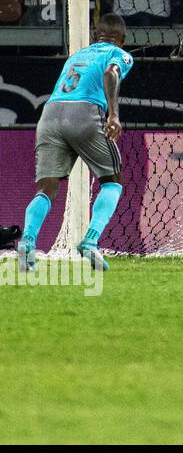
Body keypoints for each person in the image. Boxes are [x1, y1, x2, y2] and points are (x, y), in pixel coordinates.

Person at [18, 14, 133, 271]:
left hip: (50, 115)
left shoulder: (75, 56)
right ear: (122, 40)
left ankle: (27, 241)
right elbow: (111, 72)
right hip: (83, 114)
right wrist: (113, 114)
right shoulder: (120, 54)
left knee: (47, 187)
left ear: (95, 35)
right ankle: (91, 241)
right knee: (112, 181)